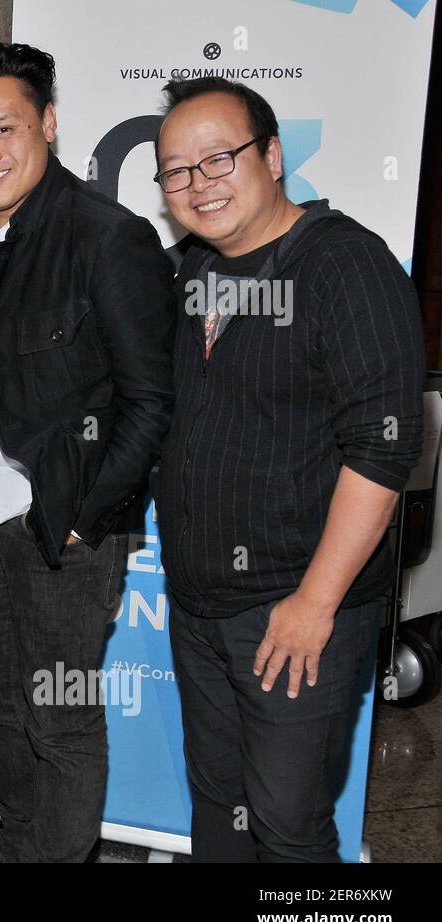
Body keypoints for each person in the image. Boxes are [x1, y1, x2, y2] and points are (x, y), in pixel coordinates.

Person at [153, 77, 424, 862]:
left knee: (288, 827)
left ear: (271, 156)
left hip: (296, 613)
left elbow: (383, 446)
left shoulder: (346, 265)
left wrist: (315, 601)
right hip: (201, 606)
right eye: (177, 170)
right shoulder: (193, 270)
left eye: (219, 158)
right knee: (221, 807)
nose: (199, 184)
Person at [0, 43, 176, 863]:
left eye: (4, 127)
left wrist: (85, 513)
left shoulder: (107, 236)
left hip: (61, 518)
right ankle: (26, 841)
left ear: (49, 122)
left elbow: (151, 400)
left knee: (59, 712)